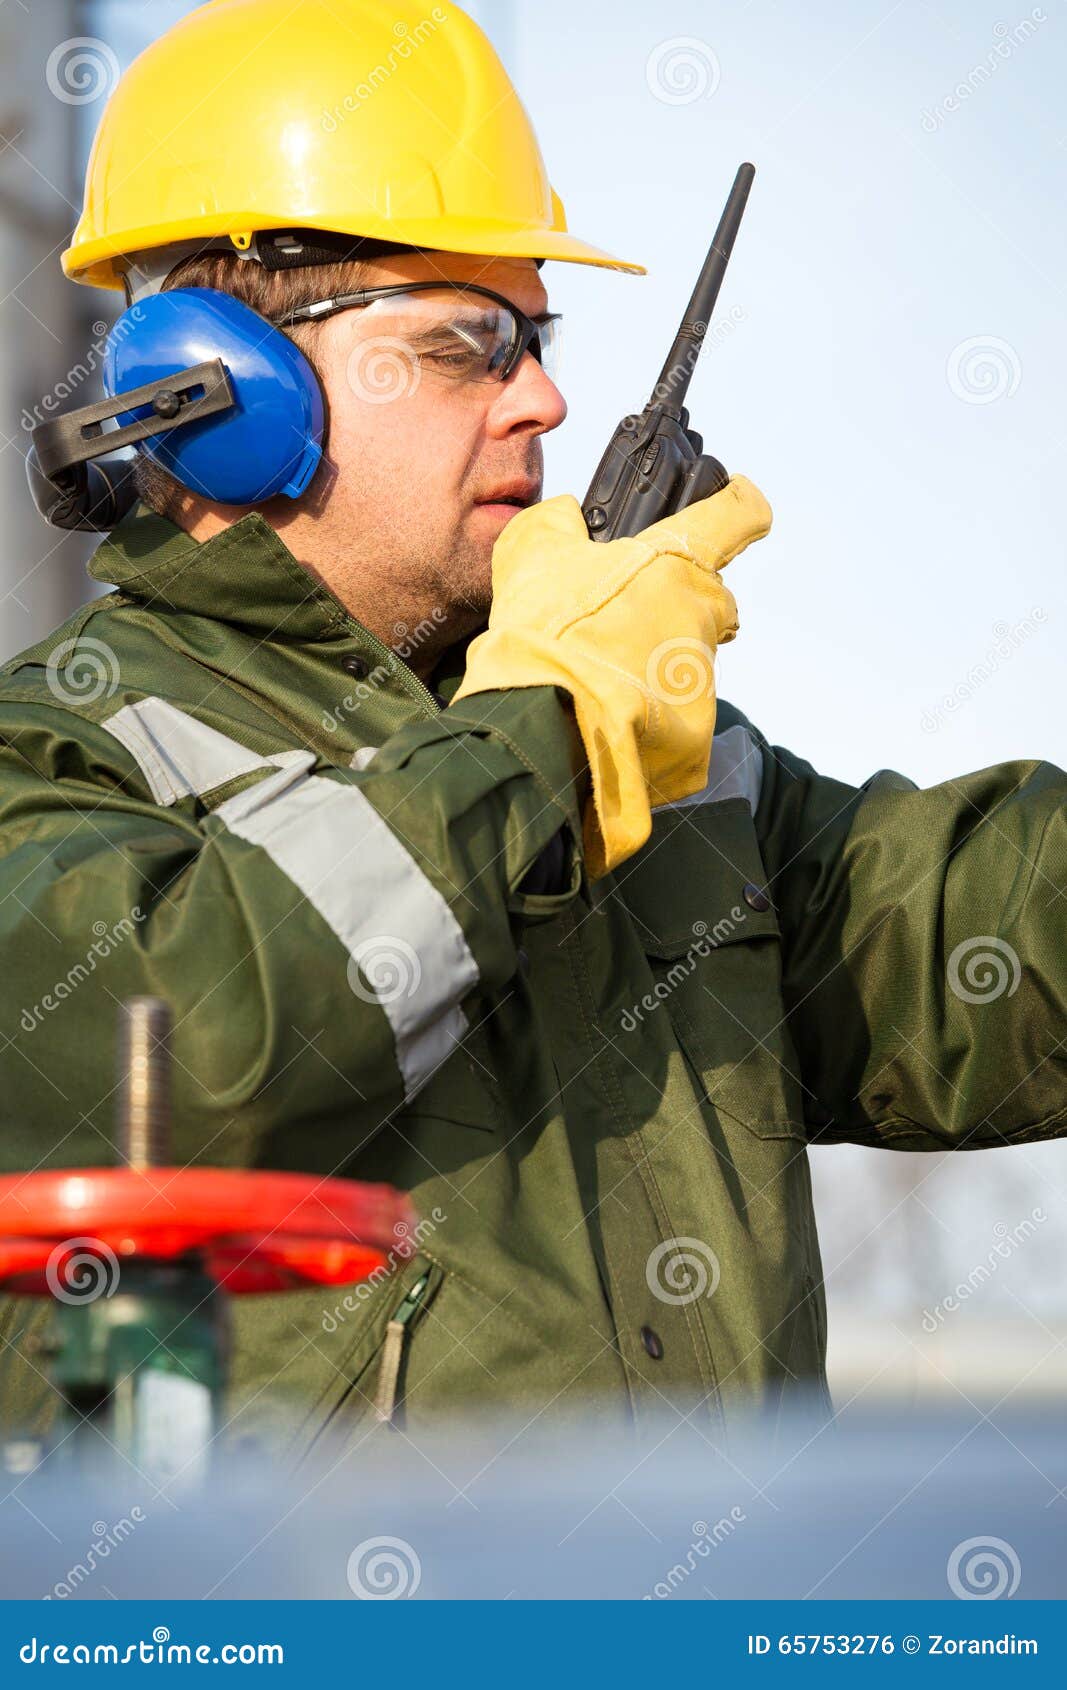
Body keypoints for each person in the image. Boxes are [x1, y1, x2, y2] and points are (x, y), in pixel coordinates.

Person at [0, 0, 1062, 1463]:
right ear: (226, 390)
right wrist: (549, 722)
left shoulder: (660, 758)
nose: (547, 396)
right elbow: (208, 1036)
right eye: (470, 342)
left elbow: (971, 937)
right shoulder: (55, 758)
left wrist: (562, 714)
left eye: (538, 338)